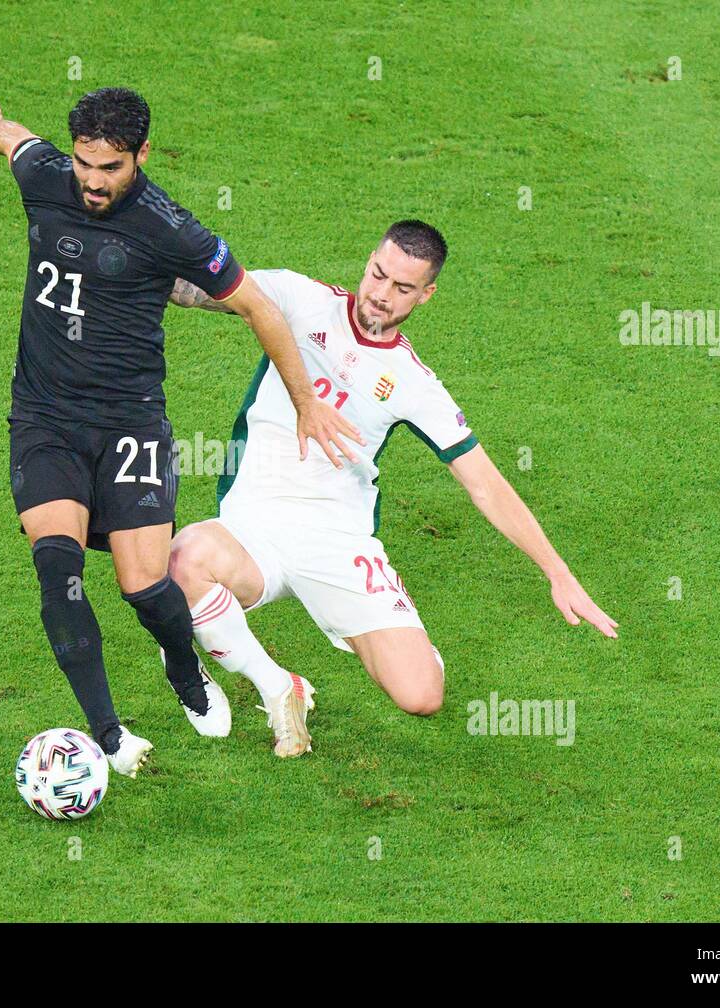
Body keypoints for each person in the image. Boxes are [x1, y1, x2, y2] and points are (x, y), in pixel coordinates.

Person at [0, 88, 363, 775]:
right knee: (56, 568)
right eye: (84, 163)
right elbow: (9, 137)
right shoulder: (44, 176)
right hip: (45, 419)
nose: (93, 181)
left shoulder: (170, 229)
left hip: (129, 423)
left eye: (111, 167)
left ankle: (184, 668)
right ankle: (111, 737)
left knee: (144, 584)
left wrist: (306, 403)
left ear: (142, 155)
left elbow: (259, 308)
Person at [166, 220, 618, 757]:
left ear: (426, 295)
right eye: (377, 274)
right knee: (184, 560)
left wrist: (557, 571)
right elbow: (192, 289)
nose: (380, 295)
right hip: (252, 525)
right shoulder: (297, 297)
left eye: (402, 288)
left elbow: (485, 484)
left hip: (337, 540)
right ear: (368, 261)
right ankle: (275, 685)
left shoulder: (413, 382)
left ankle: (404, 636)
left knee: (421, 695)